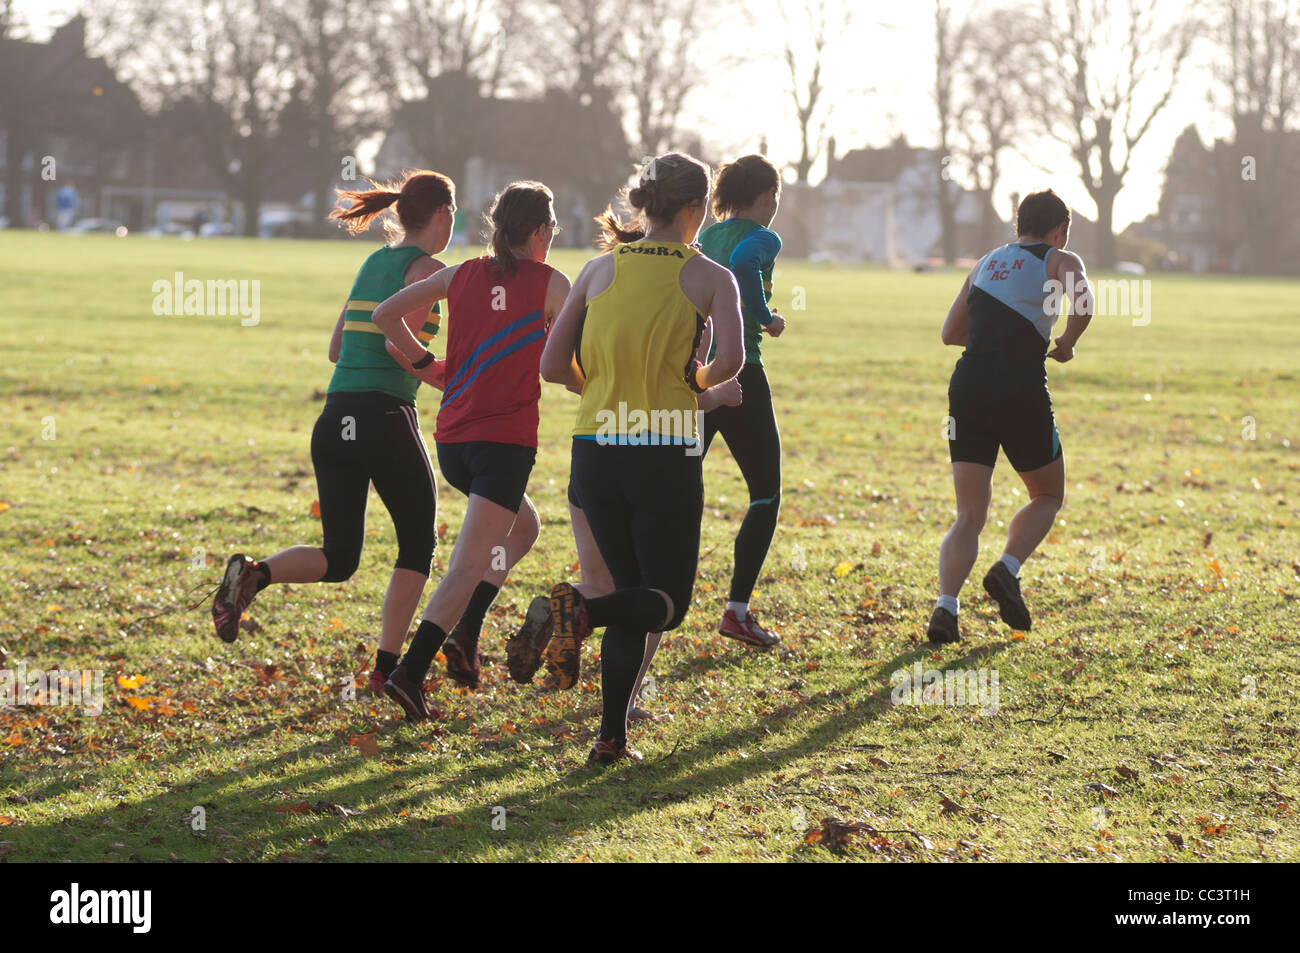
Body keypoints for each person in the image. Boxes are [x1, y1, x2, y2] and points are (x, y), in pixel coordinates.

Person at [528, 152, 745, 767]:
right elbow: (732, 361)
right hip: (664, 446)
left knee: (632, 592)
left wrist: (595, 386)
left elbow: (550, 367)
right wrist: (700, 384)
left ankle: (610, 740)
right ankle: (582, 611)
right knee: (666, 602)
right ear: (695, 210)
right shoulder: (708, 276)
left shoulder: (597, 269)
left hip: (595, 447)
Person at [210, 170, 455, 705]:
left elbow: (336, 346)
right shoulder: (430, 270)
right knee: (418, 543)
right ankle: (386, 671)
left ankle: (257, 573)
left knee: (340, 556)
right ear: (443, 214)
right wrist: (443, 373)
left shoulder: (372, 264)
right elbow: (400, 347)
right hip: (384, 417)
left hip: (336, 417)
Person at [369, 181, 570, 720]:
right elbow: (578, 350)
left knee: (523, 529)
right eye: (551, 231)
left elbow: (385, 315)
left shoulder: (460, 274)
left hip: (455, 443)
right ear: (538, 232)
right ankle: (410, 673)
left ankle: (468, 628)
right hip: (503, 445)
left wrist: (424, 365)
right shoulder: (553, 283)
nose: (552, 239)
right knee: (466, 564)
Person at [929, 188, 1093, 644]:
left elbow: (949, 333)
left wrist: (993, 341)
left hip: (968, 388)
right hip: (1019, 389)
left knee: (969, 515)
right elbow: (1084, 304)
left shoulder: (985, 262)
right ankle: (1007, 568)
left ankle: (946, 610)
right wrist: (1066, 343)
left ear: (1018, 224)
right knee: (1047, 494)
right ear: (1060, 230)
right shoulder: (1060, 260)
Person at [696, 154, 787, 648]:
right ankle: (736, 611)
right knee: (765, 493)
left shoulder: (704, 235)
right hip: (741, 371)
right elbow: (744, 264)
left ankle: (643, 601)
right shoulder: (764, 236)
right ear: (766, 196)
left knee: (679, 484)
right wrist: (766, 316)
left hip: (695, 376)